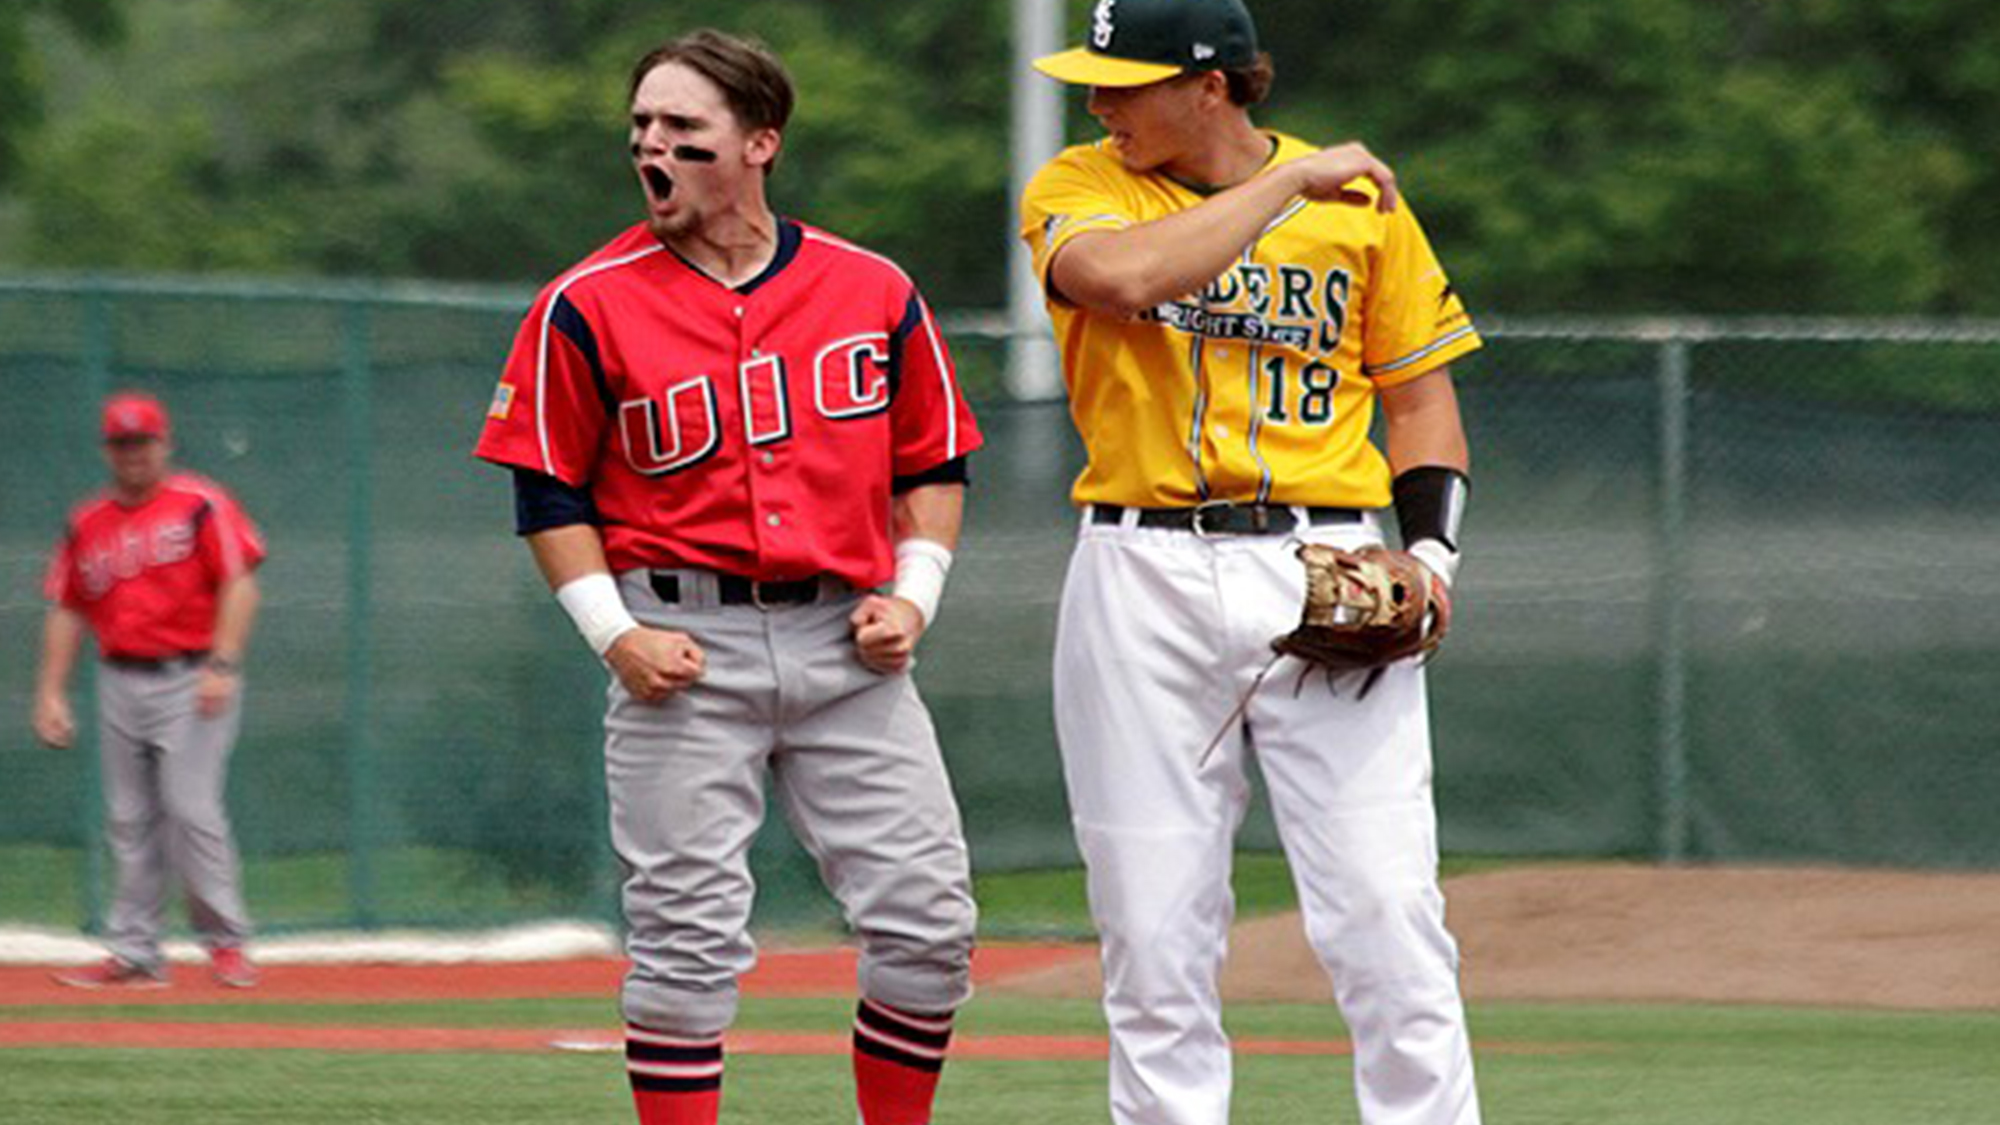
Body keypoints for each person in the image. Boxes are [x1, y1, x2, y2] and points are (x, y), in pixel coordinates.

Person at [473, 29, 982, 1125]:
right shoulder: (587, 302)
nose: (651, 146)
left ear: (759, 143)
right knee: (683, 947)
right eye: (641, 128)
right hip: (677, 645)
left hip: (848, 643)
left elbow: (933, 465)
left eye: (682, 128)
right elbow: (547, 496)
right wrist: (614, 634)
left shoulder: (870, 288)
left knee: (928, 928)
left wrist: (915, 595)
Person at [1020, 1, 1484, 1122]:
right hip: (1139, 576)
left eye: (1122, 82)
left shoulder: (1363, 214)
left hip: (1327, 555)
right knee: (1152, 924)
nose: (1097, 103)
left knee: (1385, 912)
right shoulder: (1078, 186)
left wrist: (1429, 557)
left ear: (1211, 86)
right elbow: (1119, 283)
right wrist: (1286, 185)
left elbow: (1419, 397)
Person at [34, 391, 266, 991]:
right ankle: (136, 953)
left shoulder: (199, 504)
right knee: (130, 819)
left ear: (164, 444)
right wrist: (51, 692)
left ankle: (226, 943)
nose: (133, 454)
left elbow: (240, 586)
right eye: (122, 443)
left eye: (142, 441)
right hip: (119, 678)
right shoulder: (87, 522)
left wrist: (223, 662)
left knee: (191, 810)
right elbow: (67, 608)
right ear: (108, 450)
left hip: (192, 677)